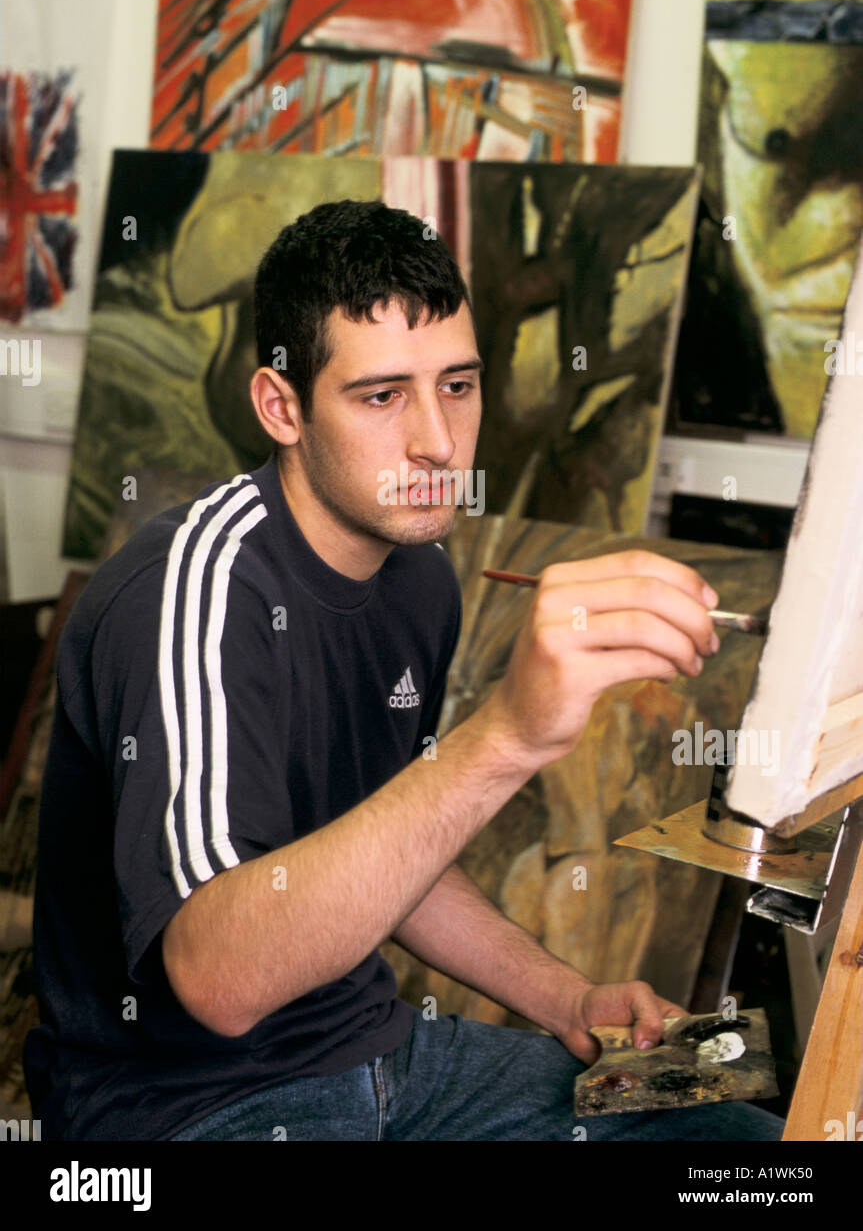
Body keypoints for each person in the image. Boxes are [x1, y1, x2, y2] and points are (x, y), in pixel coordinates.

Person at [24, 198, 784, 1142]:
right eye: (382, 396)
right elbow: (219, 980)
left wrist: (566, 995)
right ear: (281, 406)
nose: (436, 441)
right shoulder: (189, 590)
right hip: (188, 1104)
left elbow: (393, 853)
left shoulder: (418, 577)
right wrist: (504, 737)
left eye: (457, 386)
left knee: (744, 1143)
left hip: (384, 1056)